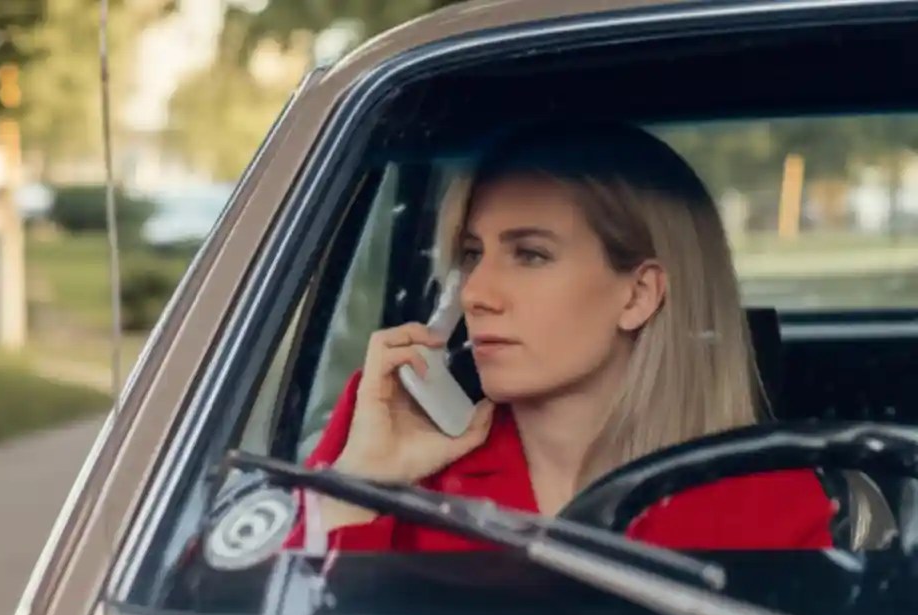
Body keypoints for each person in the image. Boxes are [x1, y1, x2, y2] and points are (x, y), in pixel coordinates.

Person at [285, 121, 835, 554]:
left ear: (638, 294)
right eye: (472, 255)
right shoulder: (388, 435)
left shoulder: (766, 499)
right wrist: (357, 491)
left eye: (530, 255)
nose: (477, 292)